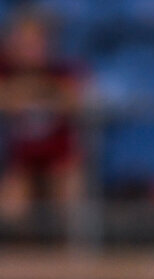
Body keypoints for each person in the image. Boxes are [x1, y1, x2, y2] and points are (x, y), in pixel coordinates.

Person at [0, 8, 87, 230]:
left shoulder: (65, 69)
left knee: (70, 194)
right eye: (24, 42)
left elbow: (76, 100)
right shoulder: (5, 69)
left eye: (36, 42)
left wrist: (29, 89)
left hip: (60, 159)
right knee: (12, 206)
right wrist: (44, 92)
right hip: (19, 161)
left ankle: (72, 258)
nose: (30, 49)